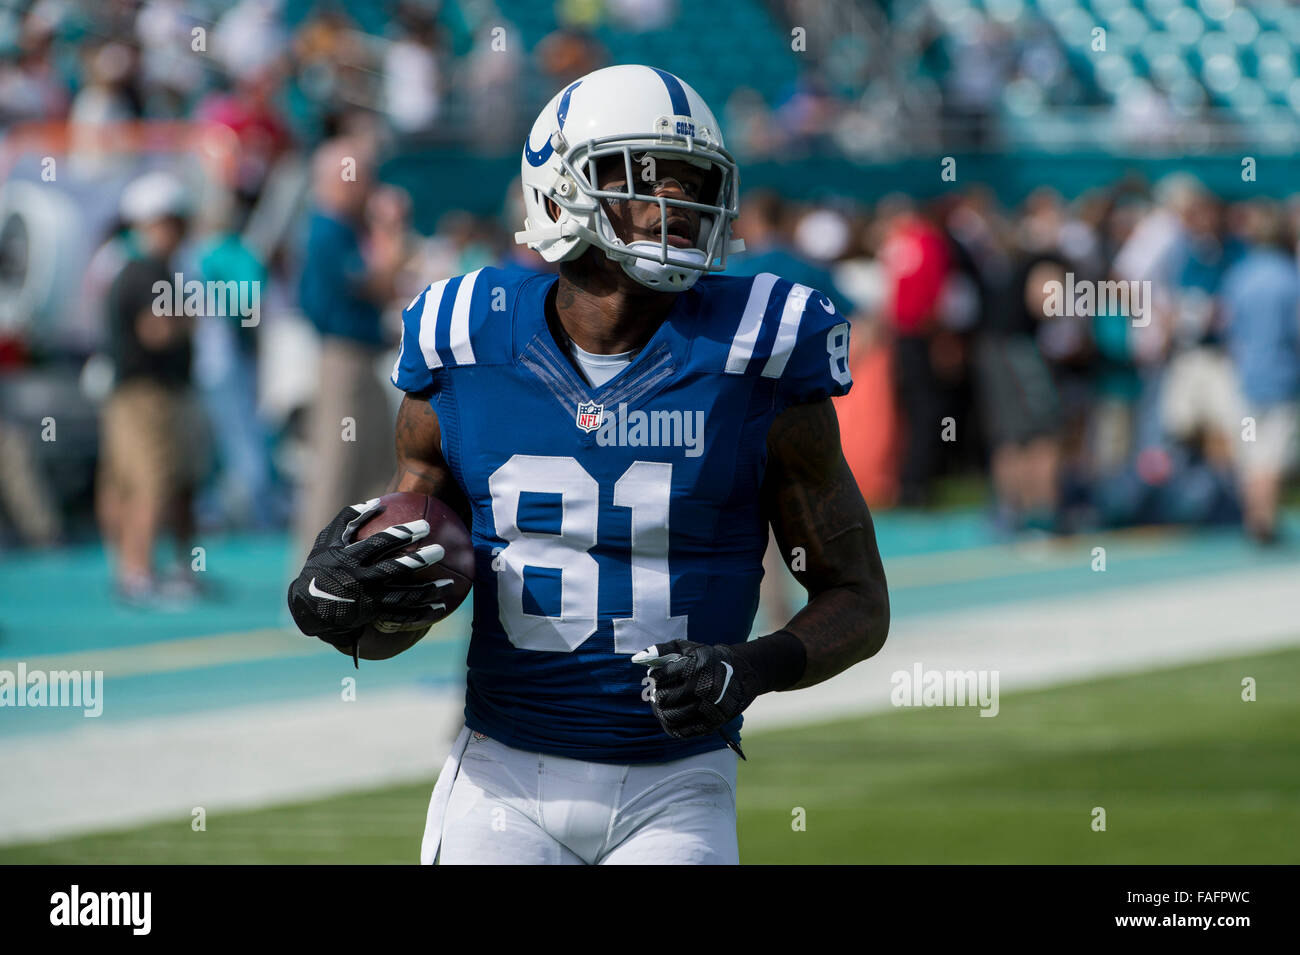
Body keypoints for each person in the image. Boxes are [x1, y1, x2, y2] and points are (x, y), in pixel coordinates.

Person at [287, 65, 890, 865]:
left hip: (679, 787)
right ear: (559, 189)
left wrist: (748, 668)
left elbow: (858, 597)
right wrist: (348, 600)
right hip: (499, 779)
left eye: (693, 182)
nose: (678, 206)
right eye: (647, 179)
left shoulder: (759, 352)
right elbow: (418, 585)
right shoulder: (467, 338)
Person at [294, 136, 407, 558]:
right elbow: (377, 284)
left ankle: (358, 560)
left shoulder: (337, 227)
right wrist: (392, 231)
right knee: (337, 468)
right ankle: (315, 570)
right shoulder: (330, 228)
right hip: (344, 360)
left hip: (357, 358)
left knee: (375, 467)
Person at [99, 171, 205, 605]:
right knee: (151, 482)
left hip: (143, 394)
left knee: (142, 482)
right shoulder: (145, 272)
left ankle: (147, 569)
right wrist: (190, 315)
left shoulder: (140, 269)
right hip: (148, 397)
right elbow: (155, 332)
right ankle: (138, 572)